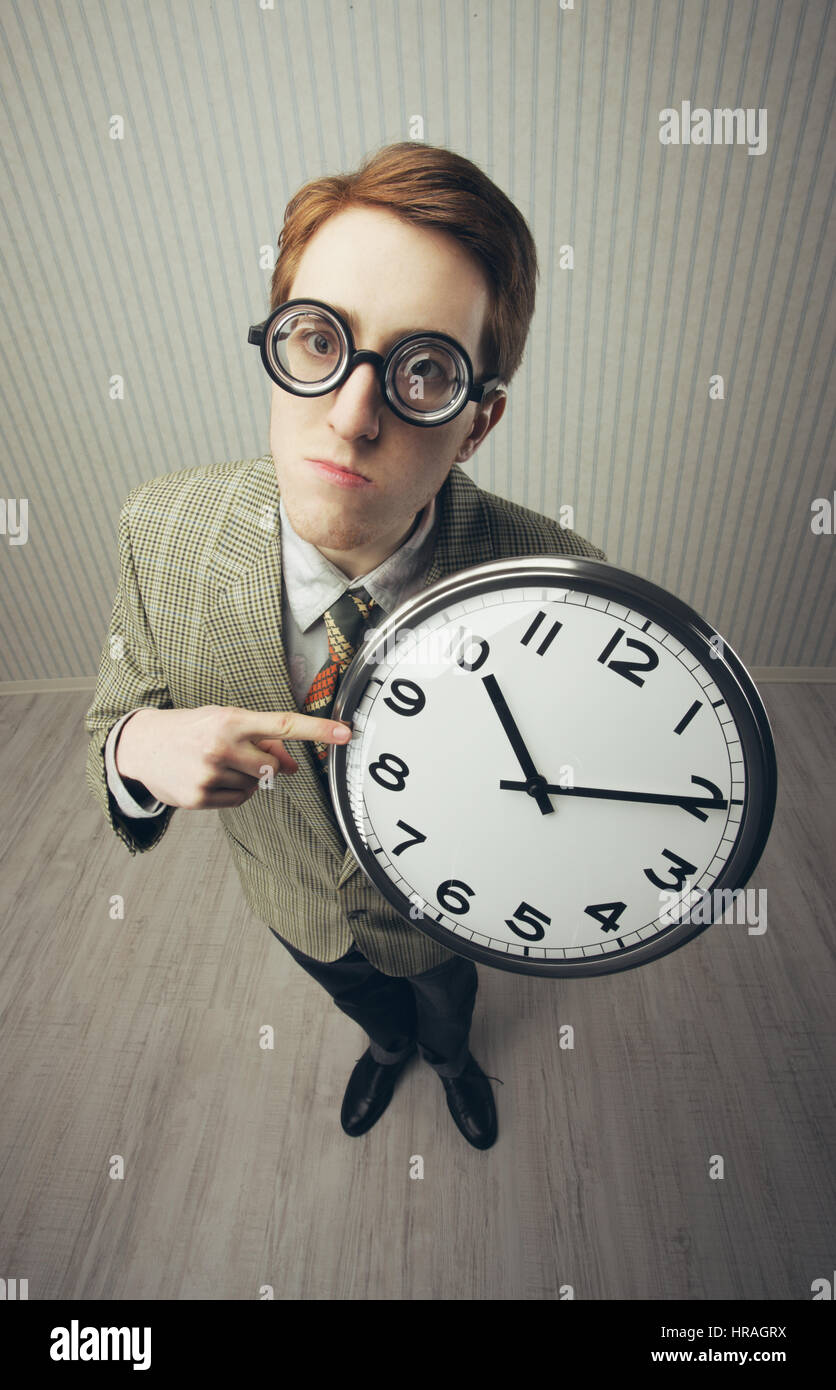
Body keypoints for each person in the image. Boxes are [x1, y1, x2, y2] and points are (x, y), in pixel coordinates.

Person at [84, 141, 606, 1151]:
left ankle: (452, 1062)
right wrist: (136, 751)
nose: (353, 413)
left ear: (476, 422)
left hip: (442, 923)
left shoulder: (561, 590)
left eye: (422, 369)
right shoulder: (160, 528)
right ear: (275, 348)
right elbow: (114, 720)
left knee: (443, 1013)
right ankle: (382, 1049)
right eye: (319, 342)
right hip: (289, 905)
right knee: (364, 1007)